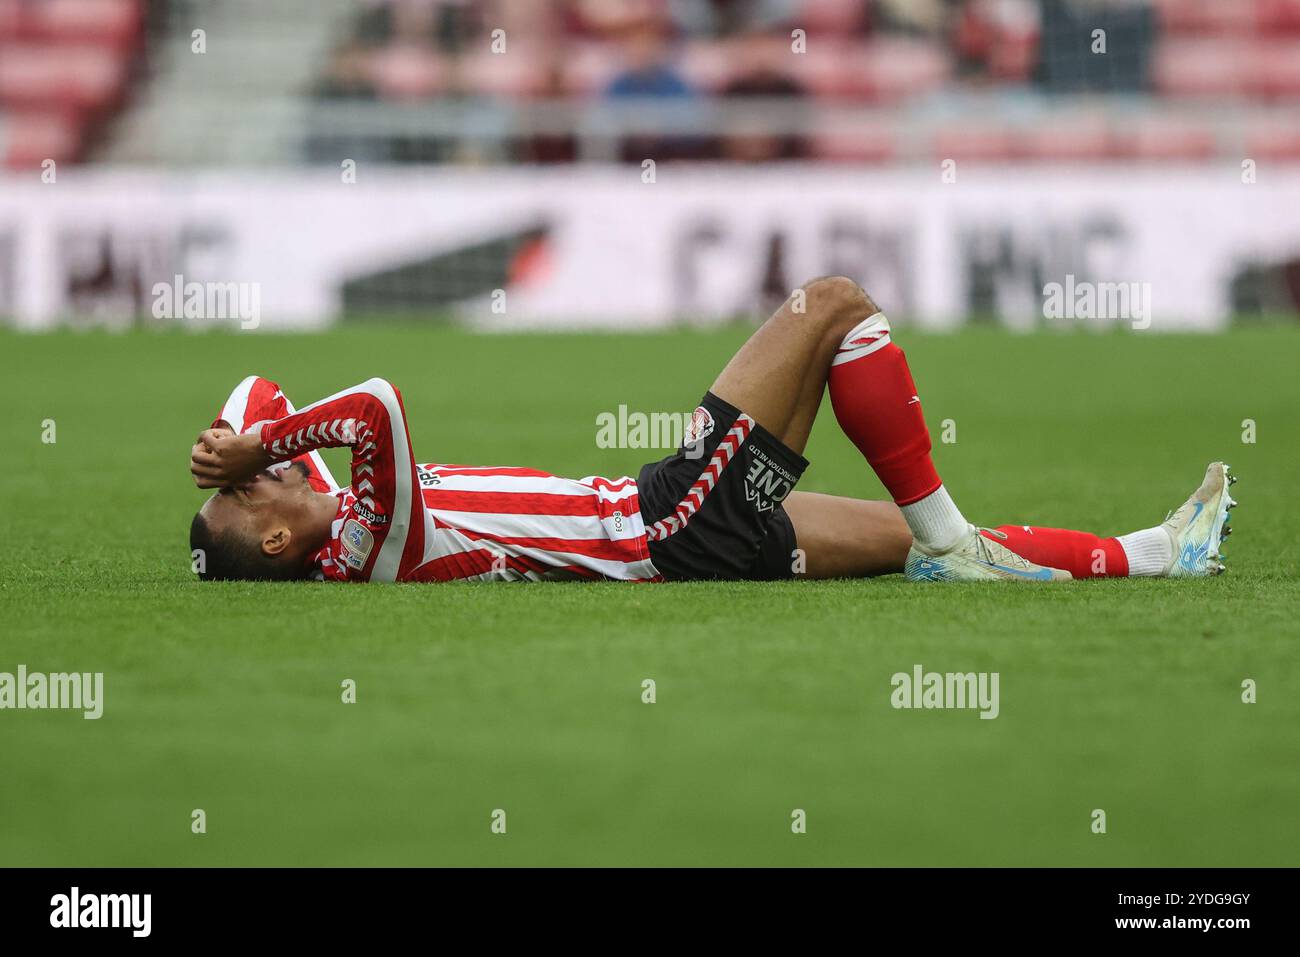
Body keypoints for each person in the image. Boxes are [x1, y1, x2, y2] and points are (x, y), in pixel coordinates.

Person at [188, 277, 1235, 584]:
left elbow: (259, 389)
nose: (265, 465)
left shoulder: (320, 505)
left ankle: (1155, 556)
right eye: (246, 492)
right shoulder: (362, 542)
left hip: (686, 537)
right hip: (666, 521)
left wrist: (237, 449)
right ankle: (958, 547)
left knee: (917, 542)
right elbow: (374, 401)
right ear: (279, 536)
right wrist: (256, 456)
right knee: (830, 306)